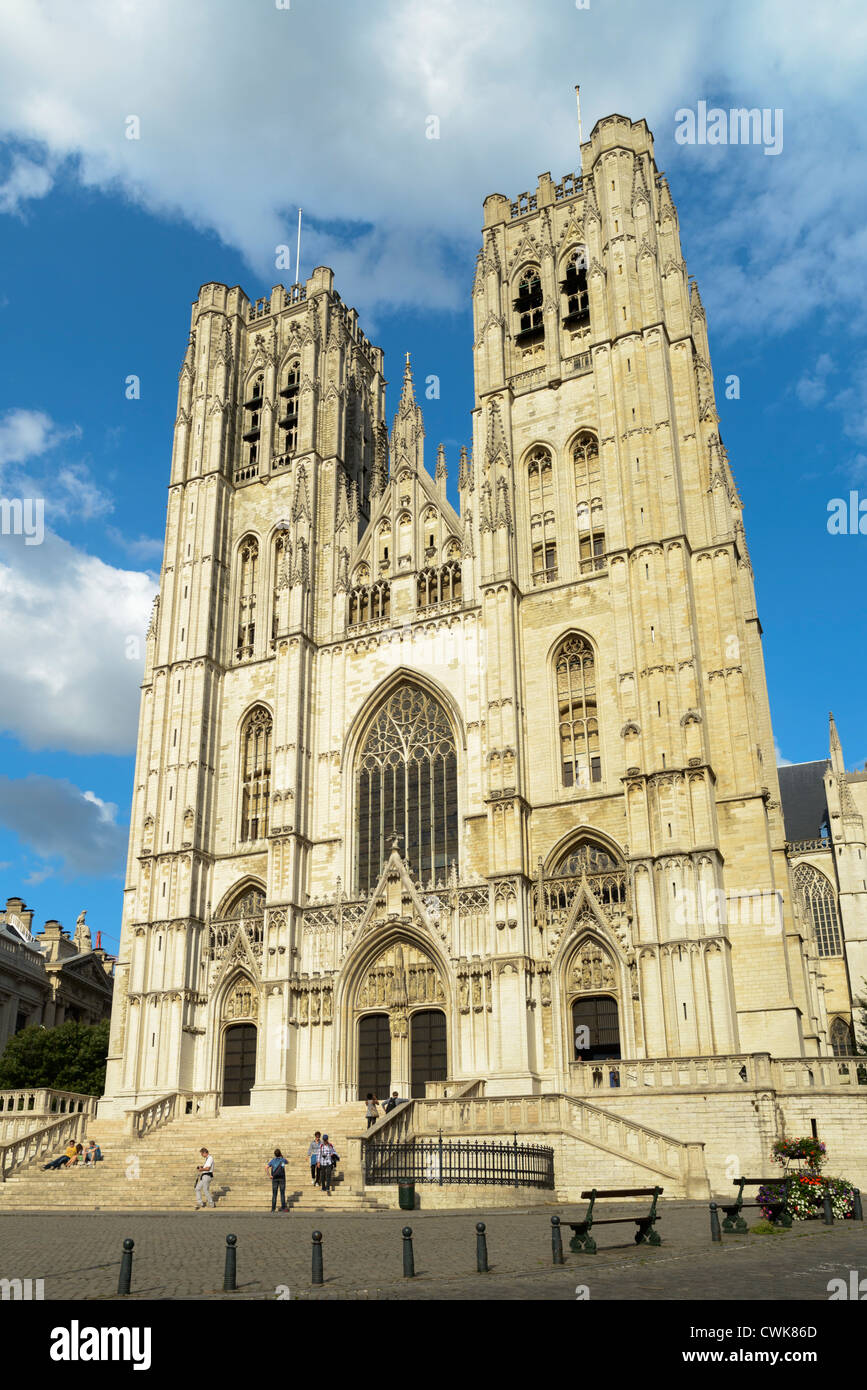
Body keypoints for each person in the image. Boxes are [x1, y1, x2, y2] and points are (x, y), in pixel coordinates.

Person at [266, 1148, 288, 1213]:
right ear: (280, 1153)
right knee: (282, 1193)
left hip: (274, 1178)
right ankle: (283, 1208)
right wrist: (282, 1156)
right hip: (282, 1178)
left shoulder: (272, 1160)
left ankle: (273, 1209)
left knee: (274, 1194)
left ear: (275, 1154)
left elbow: (266, 1167)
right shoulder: (282, 1160)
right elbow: (287, 1162)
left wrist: (269, 1175)